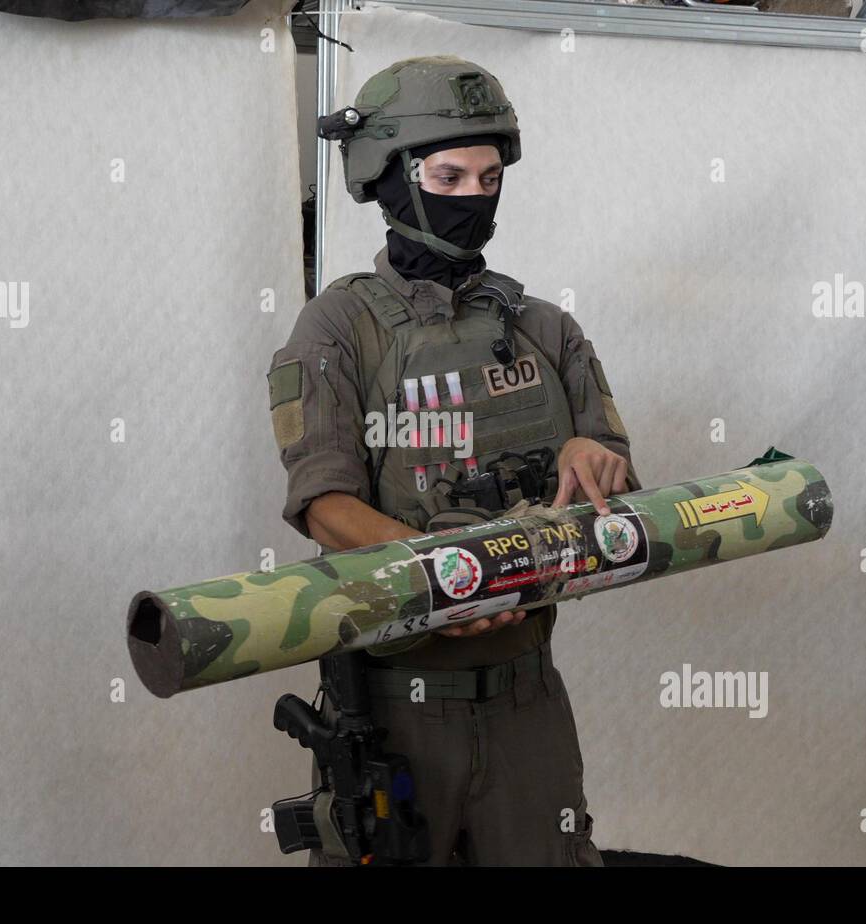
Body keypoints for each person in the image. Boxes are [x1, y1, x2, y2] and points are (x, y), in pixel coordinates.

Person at [265, 54, 639, 866]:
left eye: (489, 177)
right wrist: (457, 578)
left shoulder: (545, 327)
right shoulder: (335, 331)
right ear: (390, 178)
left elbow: (615, 480)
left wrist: (593, 454)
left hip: (527, 698)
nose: (472, 198)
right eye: (448, 176)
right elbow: (326, 503)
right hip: (402, 707)